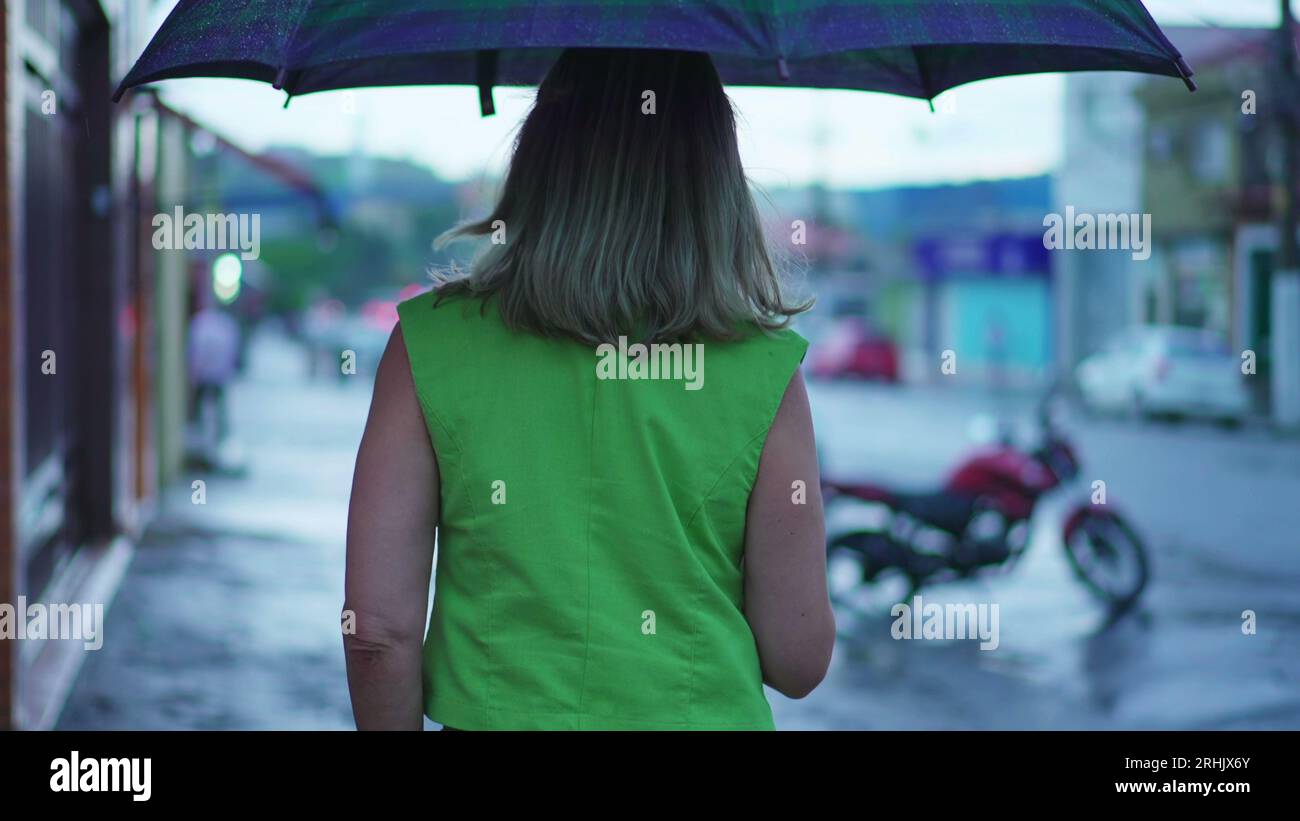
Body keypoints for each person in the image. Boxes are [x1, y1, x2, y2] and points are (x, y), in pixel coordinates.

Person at [344, 48, 834, 731]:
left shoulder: (428, 346)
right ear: (713, 176)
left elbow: (376, 633)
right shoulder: (765, 370)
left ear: (541, 159)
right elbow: (798, 657)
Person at [187, 295, 241, 447]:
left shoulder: (201, 322)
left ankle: (201, 434)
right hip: (218, 373)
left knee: (201, 406)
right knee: (218, 408)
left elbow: (195, 351)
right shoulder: (226, 325)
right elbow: (232, 352)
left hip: (205, 373)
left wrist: (194, 371)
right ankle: (218, 436)